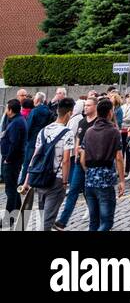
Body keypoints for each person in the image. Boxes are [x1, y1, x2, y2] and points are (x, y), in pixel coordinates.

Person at [24, 96, 74, 231]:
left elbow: (34, 157)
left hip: (40, 177)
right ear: (69, 113)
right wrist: (64, 182)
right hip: (55, 179)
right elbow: (66, 160)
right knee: (47, 220)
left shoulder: (43, 131)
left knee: (43, 216)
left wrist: (26, 181)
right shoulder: (67, 133)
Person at [54, 92, 99, 229]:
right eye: (85, 105)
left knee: (91, 193)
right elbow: (78, 139)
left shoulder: (98, 123)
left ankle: (98, 219)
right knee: (74, 190)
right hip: (80, 162)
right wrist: (76, 154)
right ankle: (62, 221)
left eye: (89, 105)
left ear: (96, 107)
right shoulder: (82, 121)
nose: (86, 108)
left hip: (92, 164)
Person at [81, 97, 125, 231]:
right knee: (106, 221)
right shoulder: (114, 132)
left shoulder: (89, 131)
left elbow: (82, 157)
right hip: (106, 179)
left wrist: (88, 170)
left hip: (89, 179)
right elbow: (118, 157)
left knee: (93, 221)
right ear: (110, 113)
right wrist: (121, 180)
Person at [1, 100, 27, 221]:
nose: (6, 110)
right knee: (12, 186)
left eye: (7, 108)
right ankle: (18, 212)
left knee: (10, 190)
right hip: (13, 159)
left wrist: (8, 159)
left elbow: (14, 144)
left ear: (10, 110)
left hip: (12, 161)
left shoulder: (16, 123)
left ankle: (9, 218)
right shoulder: (17, 120)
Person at [22, 92, 55, 176]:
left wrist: (26, 139)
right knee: (38, 162)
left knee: (27, 163)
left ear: (37, 100)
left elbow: (28, 127)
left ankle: (23, 183)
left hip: (32, 140)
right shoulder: (49, 111)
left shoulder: (34, 111)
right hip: (44, 140)